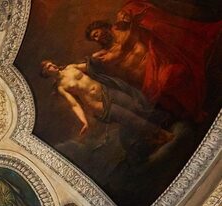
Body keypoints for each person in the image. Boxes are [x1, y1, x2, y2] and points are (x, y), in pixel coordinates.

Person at [86, 3, 222, 122]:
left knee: (174, 74)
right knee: (167, 86)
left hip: (158, 62)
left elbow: (134, 18)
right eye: (94, 38)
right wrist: (133, 25)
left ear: (103, 27)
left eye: (96, 34)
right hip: (147, 82)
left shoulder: (121, 28)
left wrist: (129, 15)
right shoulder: (103, 54)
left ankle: (198, 107)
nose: (97, 38)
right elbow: (122, 49)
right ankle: (196, 113)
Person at [39, 59, 171, 145]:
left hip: (106, 91)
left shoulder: (71, 67)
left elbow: (93, 66)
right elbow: (74, 104)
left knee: (133, 105)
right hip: (97, 104)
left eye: (51, 63)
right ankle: (161, 134)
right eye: (49, 67)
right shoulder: (61, 87)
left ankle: (153, 133)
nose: (52, 65)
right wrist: (84, 122)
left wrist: (98, 60)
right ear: (47, 73)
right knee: (128, 117)